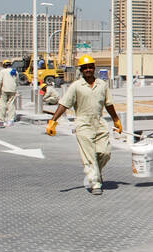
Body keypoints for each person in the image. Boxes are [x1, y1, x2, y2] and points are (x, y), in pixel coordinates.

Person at [45, 55, 122, 195]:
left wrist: (116, 120)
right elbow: (64, 104)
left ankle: (96, 172)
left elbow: (109, 104)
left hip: (99, 122)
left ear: (94, 68)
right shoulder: (76, 86)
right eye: (85, 67)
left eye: (90, 67)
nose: (88, 69)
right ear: (81, 70)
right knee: (89, 155)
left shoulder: (102, 85)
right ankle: (95, 183)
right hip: (83, 123)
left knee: (105, 152)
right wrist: (53, 121)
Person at [0, 59, 19, 125]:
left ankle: (2, 120)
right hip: (13, 90)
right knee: (11, 104)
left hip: (4, 89)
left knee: (3, 103)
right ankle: (10, 120)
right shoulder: (15, 71)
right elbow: (17, 81)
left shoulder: (3, 71)